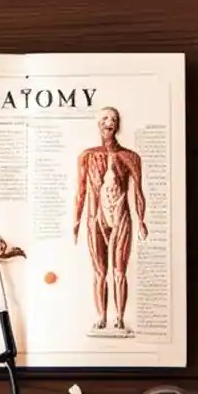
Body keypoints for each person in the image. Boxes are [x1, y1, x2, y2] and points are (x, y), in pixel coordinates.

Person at [74, 107, 148, 333]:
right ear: (98, 123)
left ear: (118, 125)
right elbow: (81, 190)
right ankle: (101, 317)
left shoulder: (130, 157)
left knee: (119, 272)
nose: (110, 122)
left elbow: (137, 191)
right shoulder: (87, 156)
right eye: (105, 118)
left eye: (114, 119)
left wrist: (142, 220)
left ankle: (120, 318)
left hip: (121, 217)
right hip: (96, 218)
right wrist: (76, 221)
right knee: (99, 272)